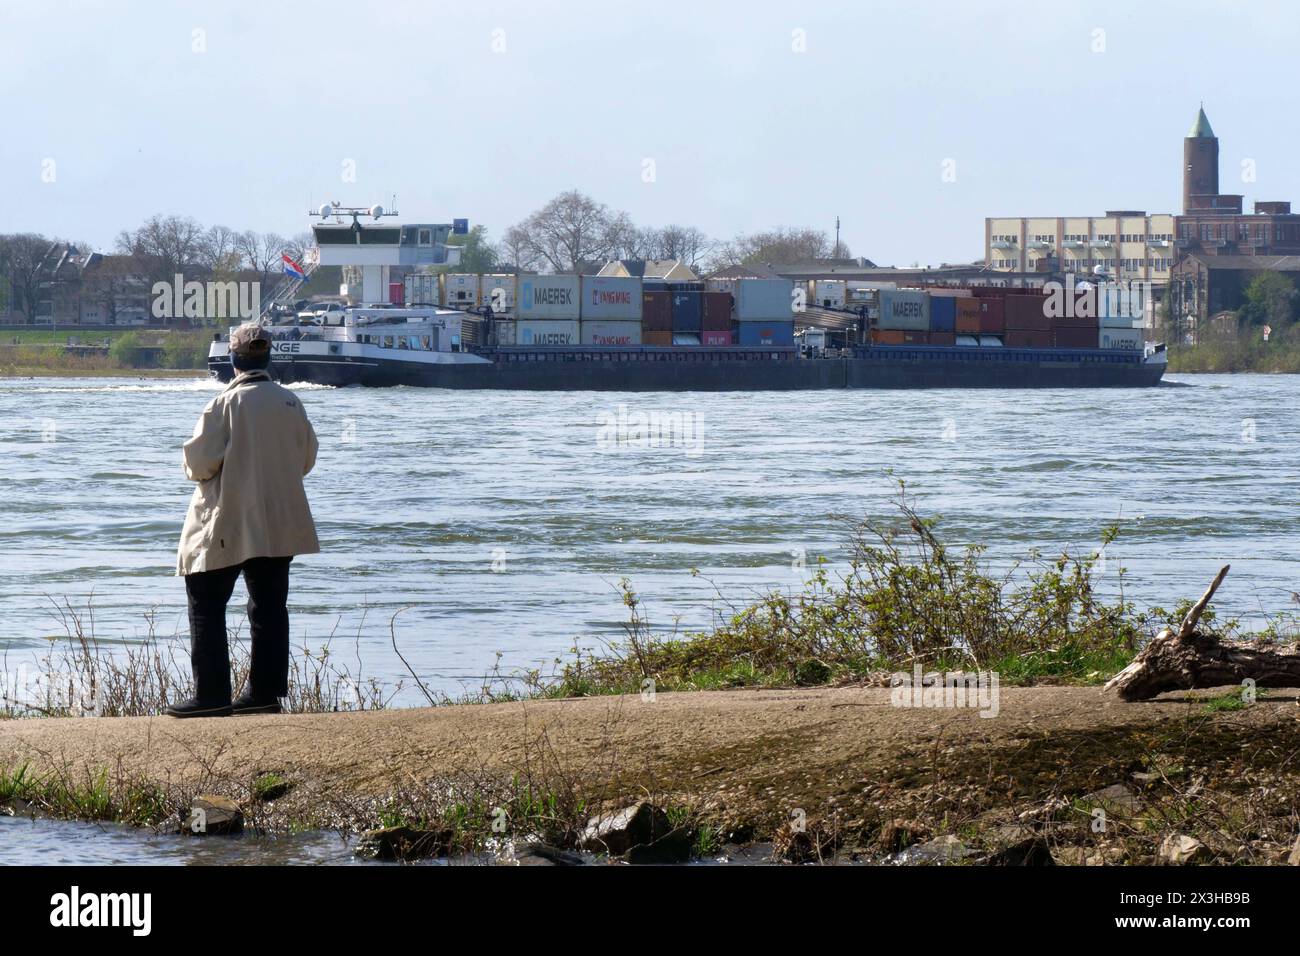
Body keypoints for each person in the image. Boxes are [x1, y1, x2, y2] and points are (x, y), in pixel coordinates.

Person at [167, 325, 320, 718]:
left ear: (234, 359)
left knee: (204, 596)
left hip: (229, 518)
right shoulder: (290, 402)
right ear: (268, 358)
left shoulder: (224, 404)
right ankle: (264, 694)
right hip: (280, 519)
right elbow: (306, 460)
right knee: (269, 606)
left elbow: (200, 465)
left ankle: (211, 696)